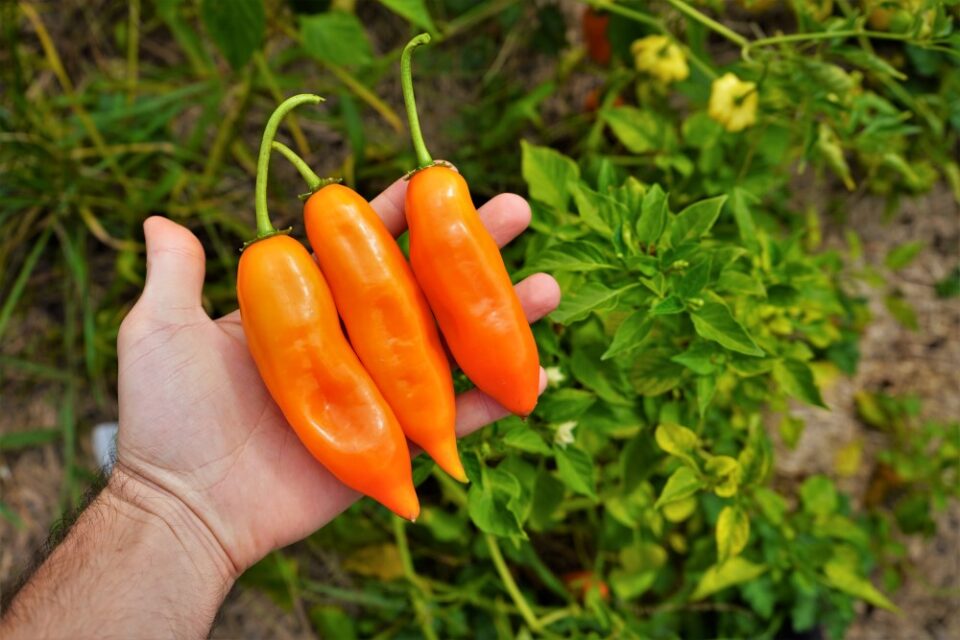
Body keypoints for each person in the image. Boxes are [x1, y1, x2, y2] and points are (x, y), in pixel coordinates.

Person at [0, 178, 560, 639]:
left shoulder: (278, 258)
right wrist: (170, 501)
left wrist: (168, 508)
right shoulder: (275, 261)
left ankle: (440, 442)